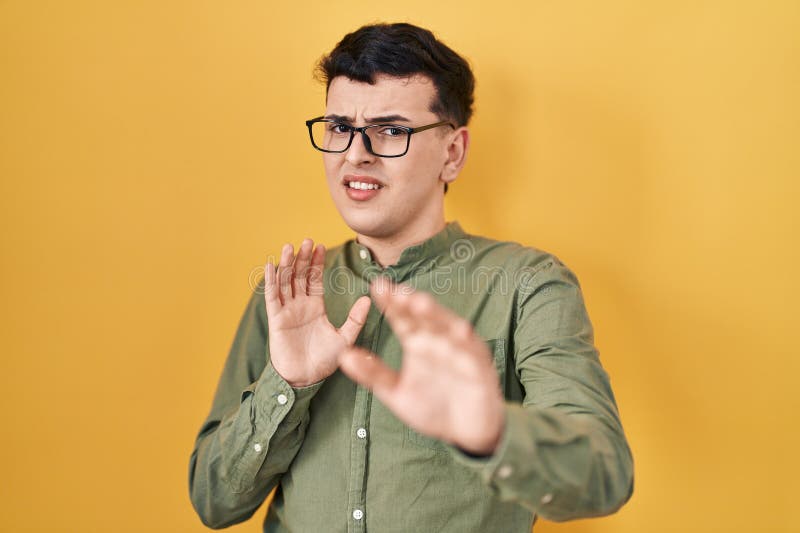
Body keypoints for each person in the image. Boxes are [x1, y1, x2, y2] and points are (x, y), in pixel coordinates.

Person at [188, 22, 633, 532]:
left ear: (453, 153)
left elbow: (604, 474)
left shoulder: (528, 285)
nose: (356, 153)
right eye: (338, 127)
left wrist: (490, 430)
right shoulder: (289, 294)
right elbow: (213, 502)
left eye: (391, 130)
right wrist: (287, 384)